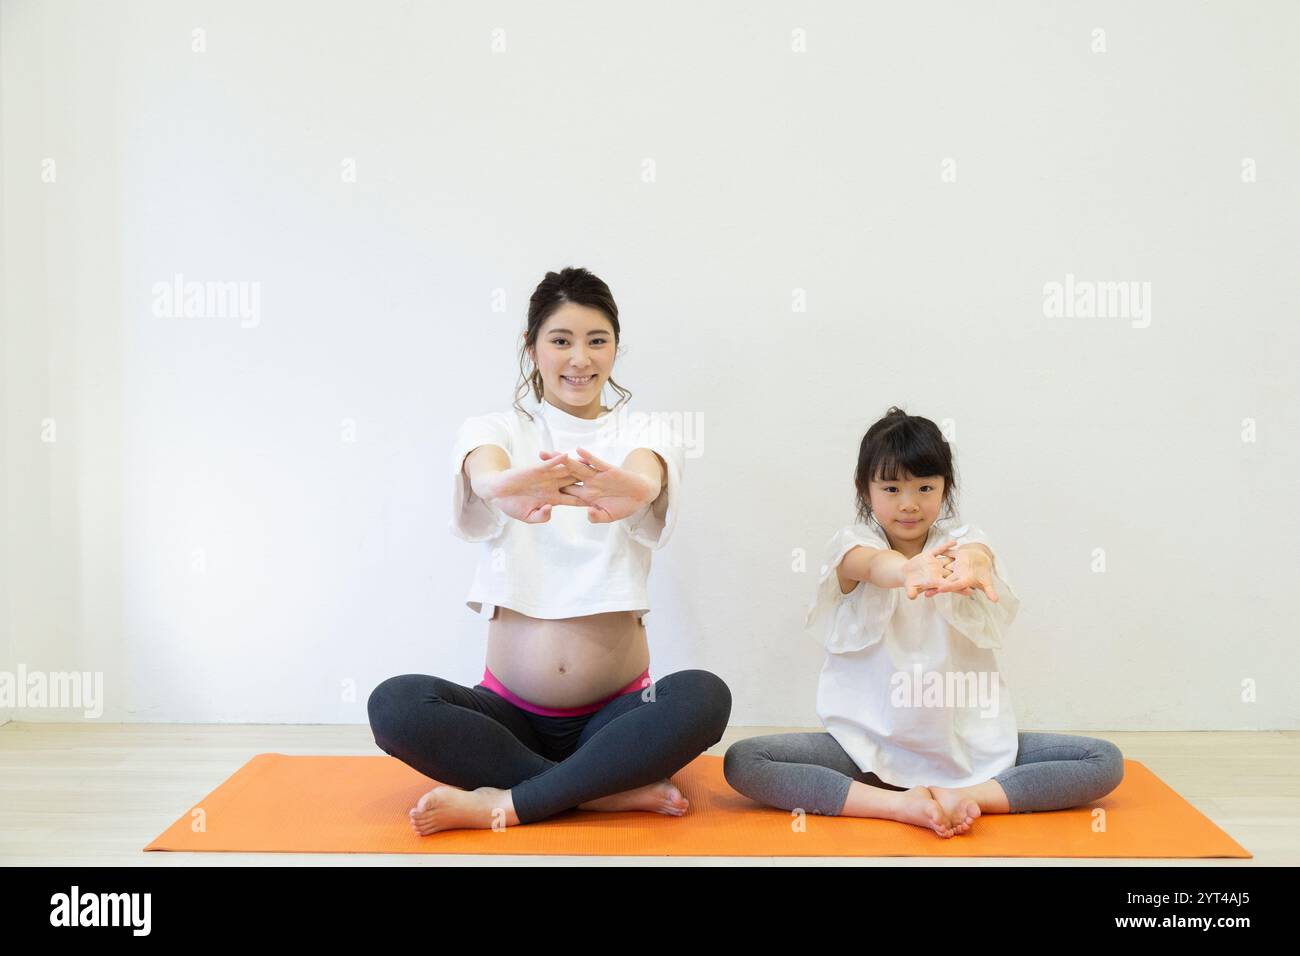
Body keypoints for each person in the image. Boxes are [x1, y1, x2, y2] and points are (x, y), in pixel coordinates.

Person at [368, 266, 731, 834]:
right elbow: (484, 469)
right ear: (531, 346)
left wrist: (637, 489)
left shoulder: (646, 431)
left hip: (617, 716)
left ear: (616, 347)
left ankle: (510, 802)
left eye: (597, 341)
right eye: (561, 340)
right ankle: (597, 791)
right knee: (394, 703)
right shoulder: (496, 428)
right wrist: (502, 487)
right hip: (507, 717)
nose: (580, 359)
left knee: (705, 696)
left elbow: (647, 472)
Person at [723, 407, 1124, 838]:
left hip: (967, 747)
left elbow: (976, 554)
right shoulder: (853, 545)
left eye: (925, 487)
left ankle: (964, 796)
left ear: (945, 488)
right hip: (865, 749)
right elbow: (871, 564)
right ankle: (897, 805)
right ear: (865, 490)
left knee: (1103, 761)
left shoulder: (963, 542)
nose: (909, 503)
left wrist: (973, 563)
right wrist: (907, 570)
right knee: (746, 761)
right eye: (891, 488)